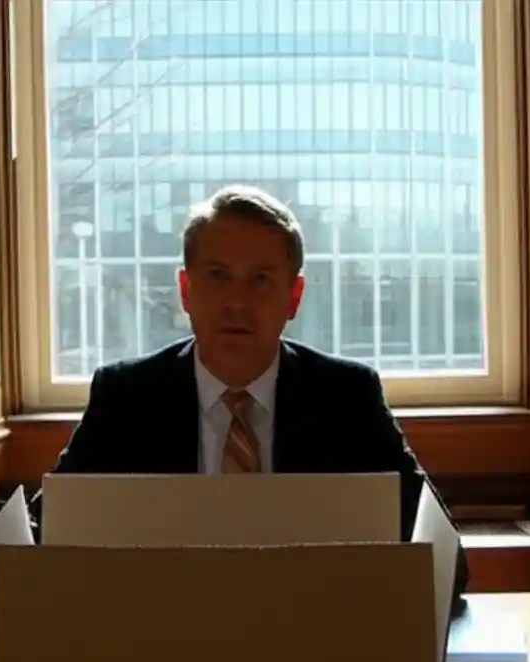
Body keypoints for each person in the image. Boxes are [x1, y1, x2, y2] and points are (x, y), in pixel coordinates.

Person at [33, 184, 469, 607]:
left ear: (293, 297)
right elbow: (37, 539)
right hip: (158, 647)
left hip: (316, 651)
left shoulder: (347, 399)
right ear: (186, 291)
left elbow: (447, 562)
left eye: (260, 280)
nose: (236, 301)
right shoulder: (126, 400)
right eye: (217, 277)